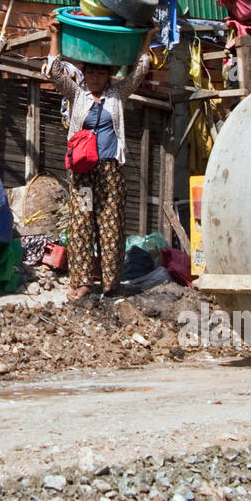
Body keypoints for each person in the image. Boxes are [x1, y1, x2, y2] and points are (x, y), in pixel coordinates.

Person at [44, 18, 156, 300]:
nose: (94, 78)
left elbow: (140, 70)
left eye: (99, 74)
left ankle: (111, 282)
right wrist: (55, 36)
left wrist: (147, 37)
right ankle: (82, 282)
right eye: (90, 73)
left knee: (111, 224)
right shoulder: (77, 95)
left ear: (108, 76)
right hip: (83, 173)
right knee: (81, 223)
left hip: (110, 172)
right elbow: (55, 72)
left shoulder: (117, 94)